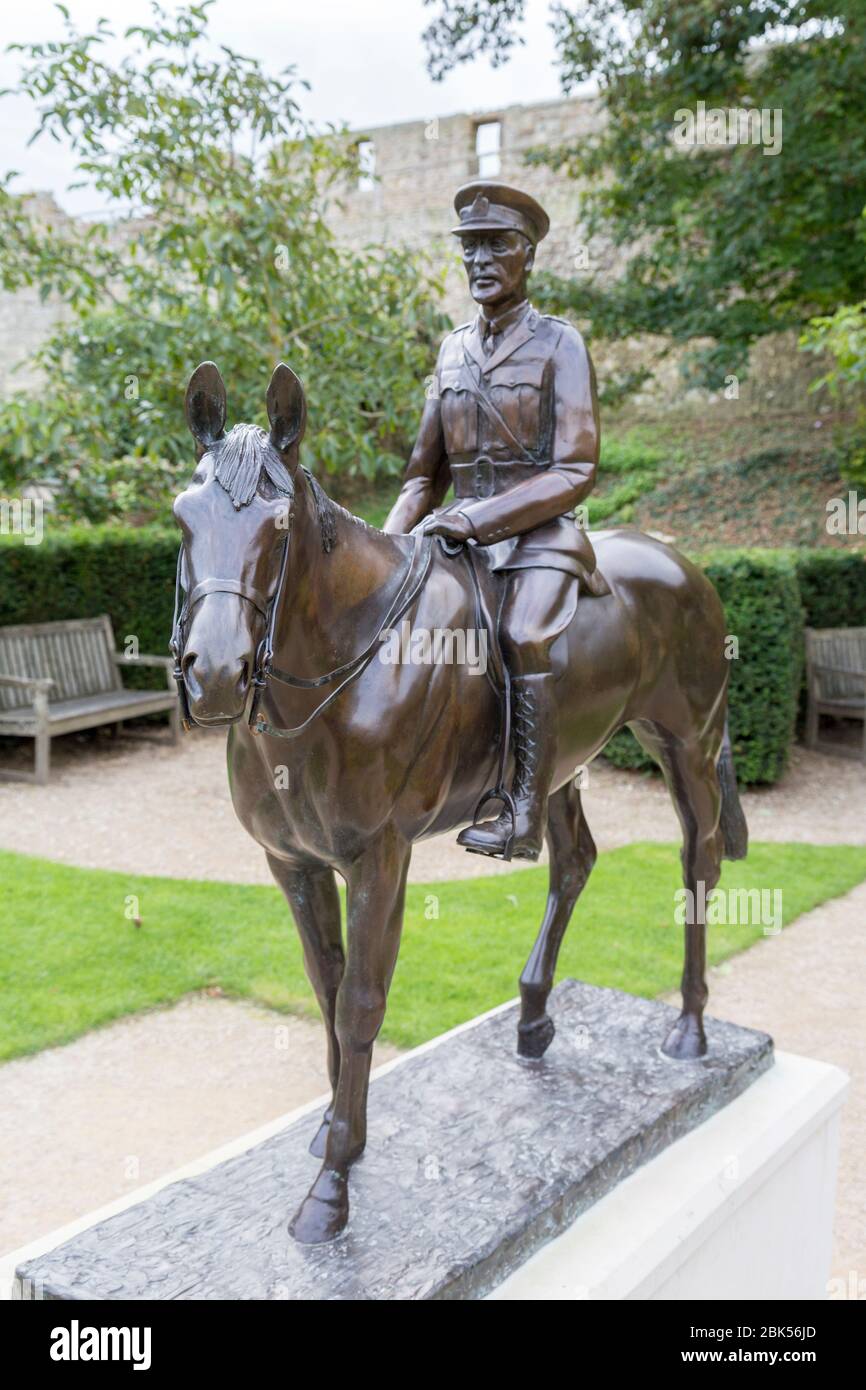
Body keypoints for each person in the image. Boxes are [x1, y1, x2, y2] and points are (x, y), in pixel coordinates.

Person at [383, 180, 607, 860]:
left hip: (538, 537)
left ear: (527, 256)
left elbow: (575, 469)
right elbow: (424, 474)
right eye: (470, 248)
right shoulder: (451, 353)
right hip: (458, 539)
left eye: (496, 245)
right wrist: (387, 547)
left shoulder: (560, 345)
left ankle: (523, 813)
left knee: (521, 635)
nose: (480, 261)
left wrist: (477, 521)